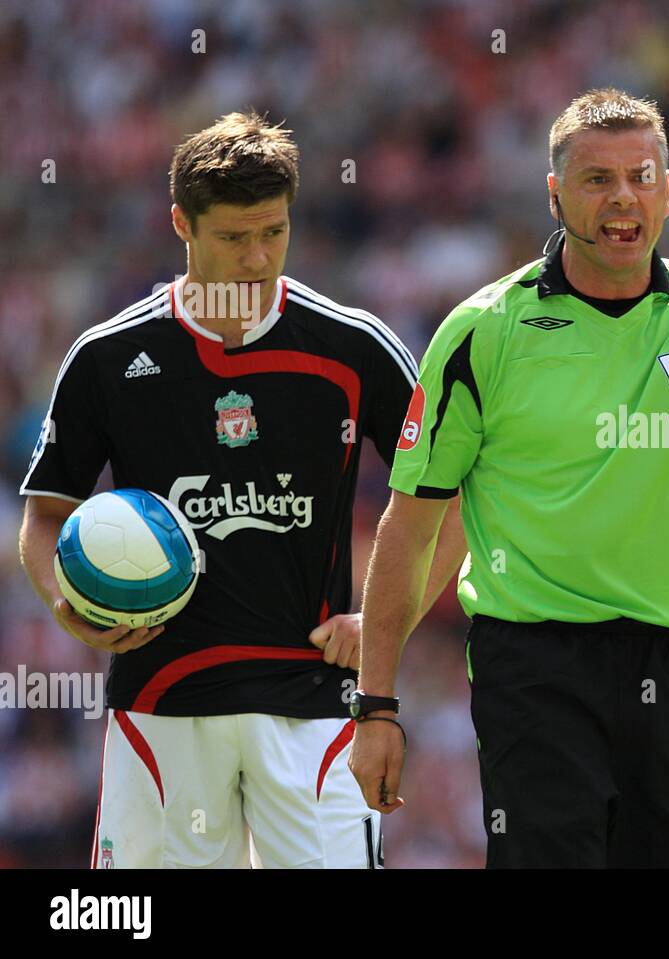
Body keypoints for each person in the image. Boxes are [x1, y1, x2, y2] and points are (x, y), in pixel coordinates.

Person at [350, 88, 669, 868]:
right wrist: (377, 704)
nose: (623, 197)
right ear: (554, 194)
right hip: (534, 665)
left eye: (642, 176)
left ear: (667, 190)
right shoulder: (482, 332)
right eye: (597, 180)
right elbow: (412, 525)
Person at [17, 111, 465, 868]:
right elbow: (45, 517)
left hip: (314, 710)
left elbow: (452, 501)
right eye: (233, 237)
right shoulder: (109, 356)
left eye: (275, 232)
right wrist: (69, 608)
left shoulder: (353, 347)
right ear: (180, 225)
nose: (258, 258)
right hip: (160, 704)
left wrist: (385, 623)